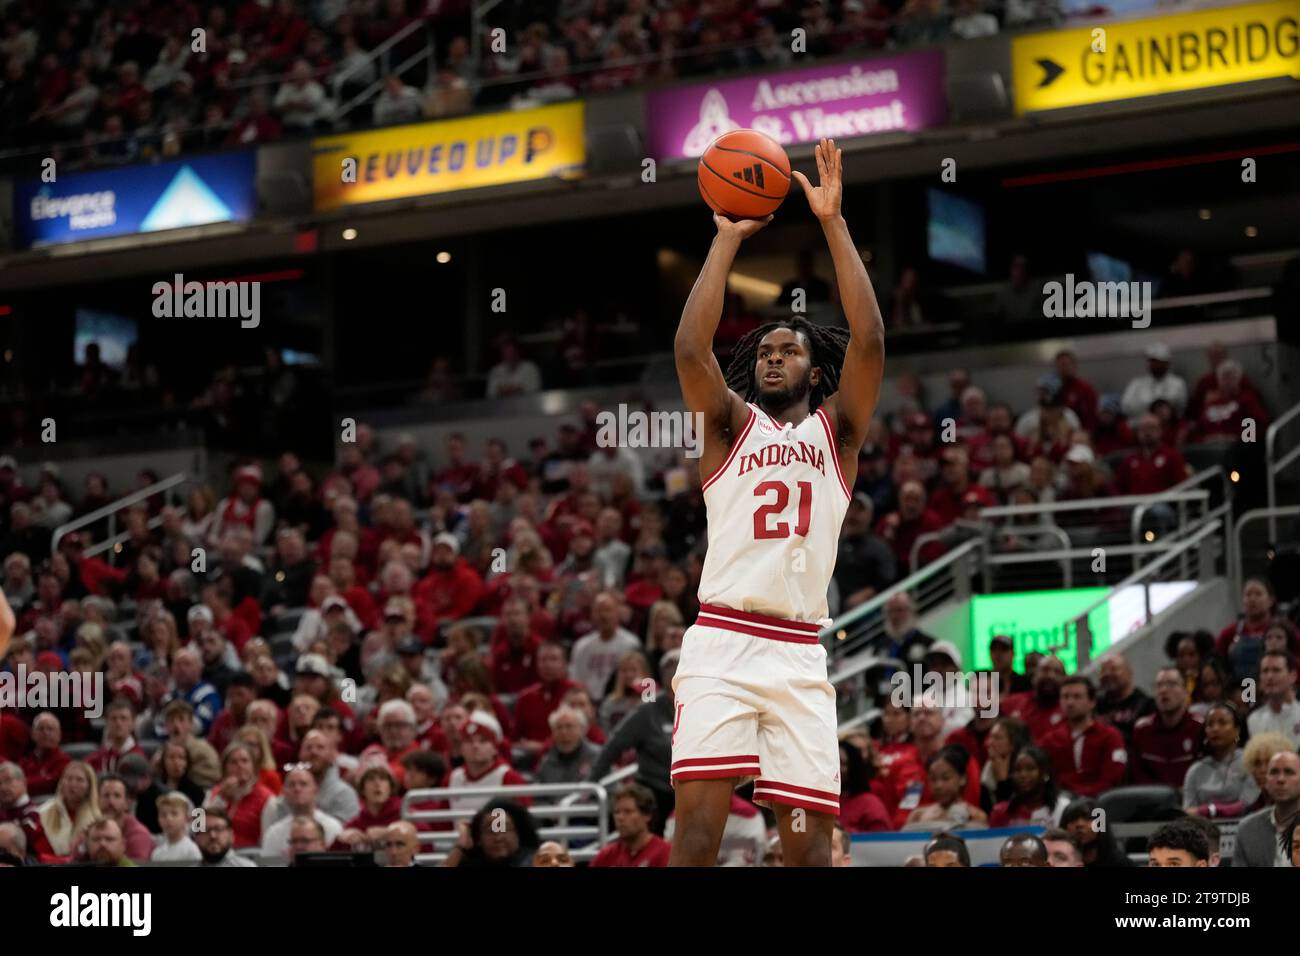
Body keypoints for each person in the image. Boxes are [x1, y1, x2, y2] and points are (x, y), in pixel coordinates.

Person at [669, 139, 883, 868]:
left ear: (814, 370)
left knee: (808, 850)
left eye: (788, 350)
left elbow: (873, 341)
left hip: (798, 651)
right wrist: (725, 240)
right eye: (763, 349)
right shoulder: (727, 426)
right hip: (722, 641)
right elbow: (690, 351)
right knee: (698, 832)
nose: (771, 356)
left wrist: (832, 221)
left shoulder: (838, 437)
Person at [1040, 675, 1127, 797]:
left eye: (1077, 697)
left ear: (1092, 702)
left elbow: (1112, 779)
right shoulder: (1050, 740)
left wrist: (1079, 797)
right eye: (1065, 697)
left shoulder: (1110, 736)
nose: (1070, 703)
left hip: (1101, 804)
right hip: (1061, 804)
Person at [1129, 667, 1203, 789]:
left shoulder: (1200, 727)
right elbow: (1137, 776)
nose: (1163, 690)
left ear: (1186, 691)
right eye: (1159, 686)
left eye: (1172, 684)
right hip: (1151, 801)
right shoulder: (1141, 730)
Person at [1183, 702, 1257, 819]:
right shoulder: (1195, 770)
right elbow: (1188, 812)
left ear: (1237, 730)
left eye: (1222, 723)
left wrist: (1208, 810)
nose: (1215, 729)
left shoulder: (1251, 762)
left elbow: (1247, 804)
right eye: (1210, 724)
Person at [1232, 751, 1300, 866]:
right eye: (1274, 772)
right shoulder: (1247, 829)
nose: (1281, 779)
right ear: (1266, 781)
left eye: (1289, 772)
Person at [259, 764, 344, 856]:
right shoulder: (273, 834)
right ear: (284, 792)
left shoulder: (333, 828)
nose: (297, 789)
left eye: (303, 784)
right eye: (291, 785)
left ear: (316, 790)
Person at [591, 783, 672, 867]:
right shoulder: (606, 856)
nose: (620, 818)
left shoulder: (665, 854)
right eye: (617, 812)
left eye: (628, 811)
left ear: (647, 815)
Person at [988, 745, 1071, 828]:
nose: (1023, 775)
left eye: (1030, 769)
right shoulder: (1001, 813)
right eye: (1017, 770)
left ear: (1045, 773)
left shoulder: (1063, 808)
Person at [444, 799, 540, 868]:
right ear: (478, 839)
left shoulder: (536, 861)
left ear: (518, 834)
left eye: (505, 829)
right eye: (491, 831)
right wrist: (461, 846)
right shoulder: (472, 863)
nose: (498, 838)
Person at [1215, 579, 1276, 685]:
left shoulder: (1283, 630)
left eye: (1258, 594)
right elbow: (1215, 664)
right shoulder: (1229, 632)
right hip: (1240, 692)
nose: (1252, 599)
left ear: (1270, 600)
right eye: (1248, 595)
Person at [37, 761, 100, 857]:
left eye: (79, 780)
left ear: (89, 786)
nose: (73, 784)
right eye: (68, 779)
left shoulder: (98, 815)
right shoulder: (43, 812)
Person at [1120, 344, 1188, 424]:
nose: (1156, 365)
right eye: (1152, 361)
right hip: (1140, 426)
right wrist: (1149, 407)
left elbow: (1181, 408)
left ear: (1167, 363)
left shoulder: (1178, 383)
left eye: (1159, 362)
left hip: (1169, 426)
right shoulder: (1136, 384)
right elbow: (1125, 407)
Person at [1096, 652, 1154, 744]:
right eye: (1103, 670)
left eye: (1113, 669)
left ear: (1129, 673)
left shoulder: (1147, 705)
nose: (1107, 674)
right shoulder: (1094, 706)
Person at [1247, 650, 1300, 746]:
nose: (1269, 676)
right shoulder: (1254, 720)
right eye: (1265, 671)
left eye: (1276, 670)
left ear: (1293, 676)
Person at [1060, 798, 1134, 867]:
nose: (1080, 824)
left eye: (1088, 818)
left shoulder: (1120, 863)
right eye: (1073, 819)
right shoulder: (1054, 862)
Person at [151, 791, 202, 862]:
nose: (168, 819)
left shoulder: (191, 851)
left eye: (174, 814)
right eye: (163, 815)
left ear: (186, 818)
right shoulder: (157, 853)